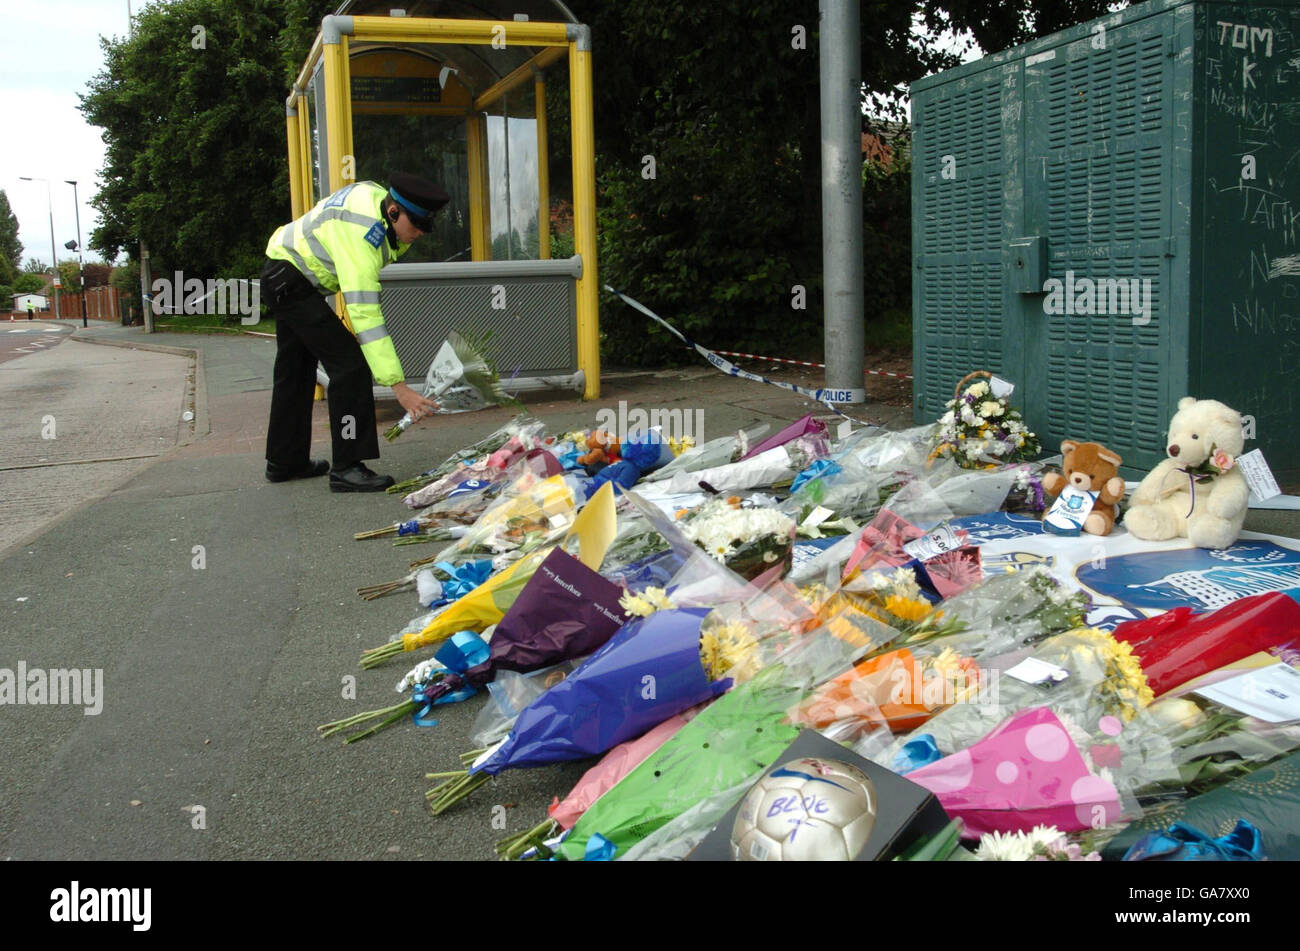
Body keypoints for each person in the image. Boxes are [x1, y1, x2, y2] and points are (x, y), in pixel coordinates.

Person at [261, 172, 448, 492]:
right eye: (415, 225)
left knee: (295, 371)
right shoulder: (362, 236)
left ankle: (284, 461)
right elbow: (365, 317)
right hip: (292, 283)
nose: (419, 233)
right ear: (393, 212)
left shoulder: (376, 198)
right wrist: (399, 387)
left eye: (424, 226)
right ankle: (347, 466)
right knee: (350, 366)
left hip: (282, 273)